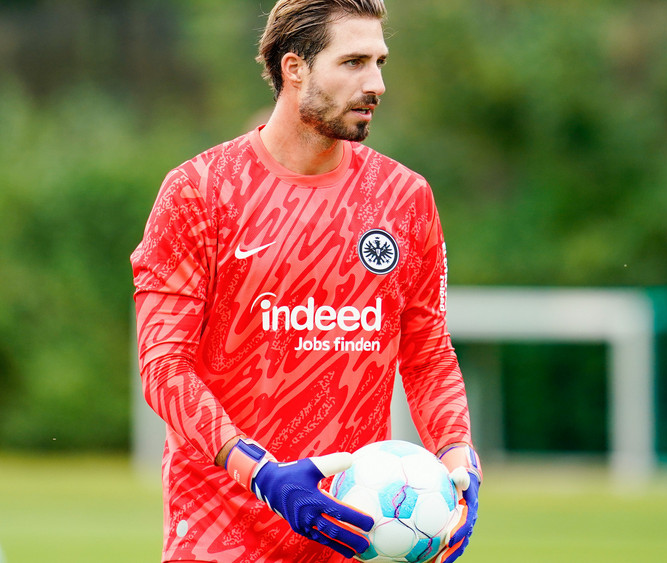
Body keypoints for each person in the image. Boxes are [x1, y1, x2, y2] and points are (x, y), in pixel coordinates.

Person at [130, 1, 481, 561]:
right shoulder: (199, 192)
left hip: (352, 537)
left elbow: (427, 354)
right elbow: (164, 367)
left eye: (380, 62)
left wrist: (460, 455)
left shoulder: (404, 198)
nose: (377, 83)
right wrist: (264, 474)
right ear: (295, 68)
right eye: (354, 62)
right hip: (219, 536)